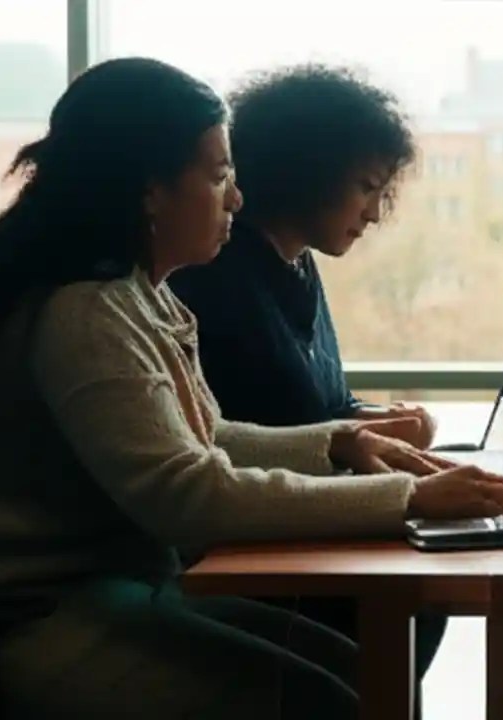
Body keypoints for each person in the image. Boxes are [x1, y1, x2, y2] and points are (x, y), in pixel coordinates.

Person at [0, 57, 503, 719]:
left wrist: (340, 444)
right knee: (338, 700)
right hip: (36, 613)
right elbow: (187, 496)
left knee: (367, 673)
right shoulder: (88, 311)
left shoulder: (138, 295)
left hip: (116, 587)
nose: (236, 197)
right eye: (220, 174)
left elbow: (205, 438)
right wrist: (409, 496)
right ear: (150, 189)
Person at [166, 63, 446, 692]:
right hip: (254, 548)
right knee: (418, 593)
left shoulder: (295, 268)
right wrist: (368, 455)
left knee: (425, 590)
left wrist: (372, 421)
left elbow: (316, 399)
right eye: (365, 187)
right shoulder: (214, 277)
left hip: (293, 526)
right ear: (306, 173)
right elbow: (219, 438)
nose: (375, 213)